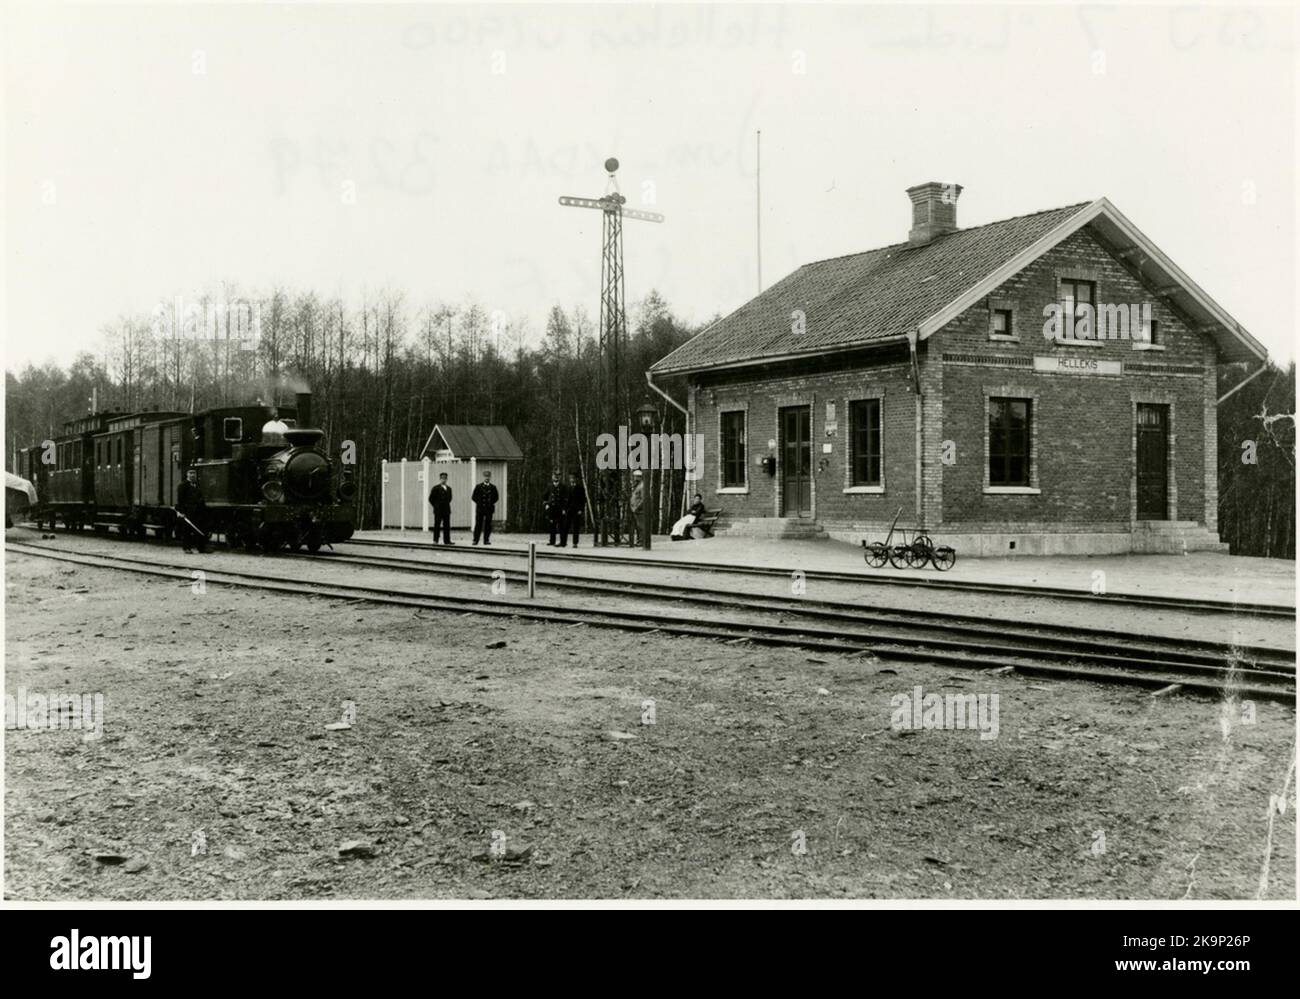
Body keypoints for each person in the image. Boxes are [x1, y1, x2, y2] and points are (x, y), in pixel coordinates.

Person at [176, 468, 210, 553]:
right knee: (187, 530)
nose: (192, 475)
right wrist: (182, 512)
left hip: (198, 511)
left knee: (199, 529)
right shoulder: (182, 486)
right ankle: (186, 548)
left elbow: (201, 498)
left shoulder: (198, 485)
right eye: (190, 473)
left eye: (194, 473)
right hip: (187, 511)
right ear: (187, 474)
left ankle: (201, 548)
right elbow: (180, 500)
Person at [471, 469, 499, 545]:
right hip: (480, 509)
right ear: (483, 477)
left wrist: (490, 503)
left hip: (489, 509)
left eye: (488, 476)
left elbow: (496, 497)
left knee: (488, 525)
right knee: (478, 524)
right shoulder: (478, 487)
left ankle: (486, 540)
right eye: (485, 476)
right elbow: (473, 497)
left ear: (490, 477)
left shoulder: (493, 487)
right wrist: (480, 503)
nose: (487, 478)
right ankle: (475, 540)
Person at [543, 471, 568, 547]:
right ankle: (552, 541)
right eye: (554, 476)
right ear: (552, 477)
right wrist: (546, 504)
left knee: (561, 526)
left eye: (557, 476)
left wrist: (564, 509)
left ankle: (562, 542)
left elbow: (565, 499)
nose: (556, 477)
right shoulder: (549, 486)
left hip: (560, 509)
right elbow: (544, 496)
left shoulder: (563, 487)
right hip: (552, 509)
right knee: (552, 525)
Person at [428, 471, 453, 545]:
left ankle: (447, 541)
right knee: (437, 525)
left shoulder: (449, 489)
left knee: (447, 526)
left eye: (445, 478)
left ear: (447, 479)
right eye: (442, 478)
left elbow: (450, 498)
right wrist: (436, 506)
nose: (444, 480)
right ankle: (435, 540)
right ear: (440, 479)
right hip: (438, 510)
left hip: (446, 510)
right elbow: (431, 499)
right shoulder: (436, 488)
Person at [561, 472, 585, 548]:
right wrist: (564, 509)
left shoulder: (580, 488)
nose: (572, 479)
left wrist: (581, 509)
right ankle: (563, 542)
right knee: (566, 526)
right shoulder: (568, 488)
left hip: (577, 510)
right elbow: (566, 500)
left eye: (573, 478)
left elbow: (583, 500)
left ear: (576, 479)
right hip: (569, 510)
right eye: (571, 478)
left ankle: (575, 543)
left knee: (576, 527)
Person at [626, 469, 645, 546]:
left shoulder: (642, 486)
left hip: (639, 510)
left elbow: (643, 499)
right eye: (634, 477)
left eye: (636, 477)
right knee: (638, 526)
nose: (634, 478)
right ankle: (640, 540)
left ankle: (642, 541)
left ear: (640, 477)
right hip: (635, 509)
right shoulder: (637, 486)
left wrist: (637, 507)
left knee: (641, 526)